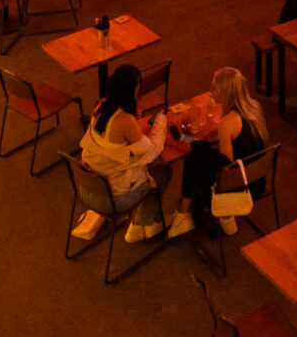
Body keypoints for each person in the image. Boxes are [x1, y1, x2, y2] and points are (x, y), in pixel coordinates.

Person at [165, 67, 269, 238]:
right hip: (257, 181)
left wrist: (200, 146)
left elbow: (225, 167)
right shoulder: (254, 108)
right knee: (200, 154)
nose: (211, 92)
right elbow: (245, 143)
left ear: (226, 93)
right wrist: (215, 141)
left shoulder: (228, 122)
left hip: (238, 189)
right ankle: (221, 220)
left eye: (214, 89)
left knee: (192, 160)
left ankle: (187, 217)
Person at [72, 65, 171, 242]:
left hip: (86, 189)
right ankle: (143, 225)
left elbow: (113, 141)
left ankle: (140, 223)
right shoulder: (125, 121)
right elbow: (153, 150)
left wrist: (133, 115)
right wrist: (161, 120)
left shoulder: (100, 107)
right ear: (133, 90)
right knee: (162, 172)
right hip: (112, 201)